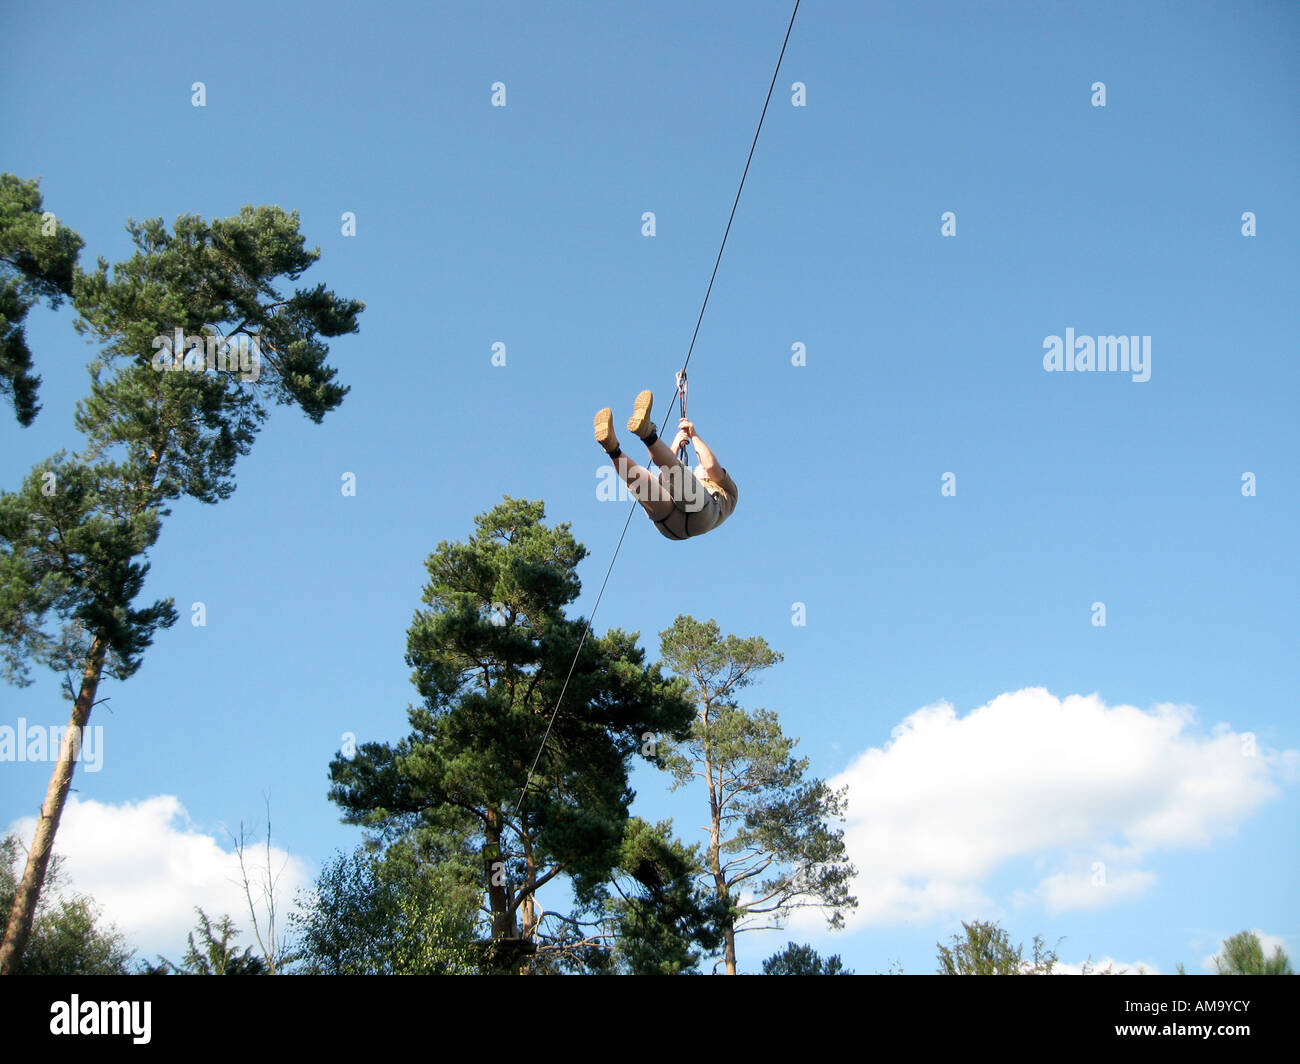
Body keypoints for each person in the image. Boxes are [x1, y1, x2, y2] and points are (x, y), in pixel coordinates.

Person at [594, 389, 738, 540]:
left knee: (677, 474)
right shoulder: (692, 486)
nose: (699, 465)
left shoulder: (728, 490)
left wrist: (693, 434)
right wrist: (675, 445)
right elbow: (664, 476)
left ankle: (647, 434)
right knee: (644, 482)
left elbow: (709, 466)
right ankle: (613, 449)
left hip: (701, 513)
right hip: (671, 527)